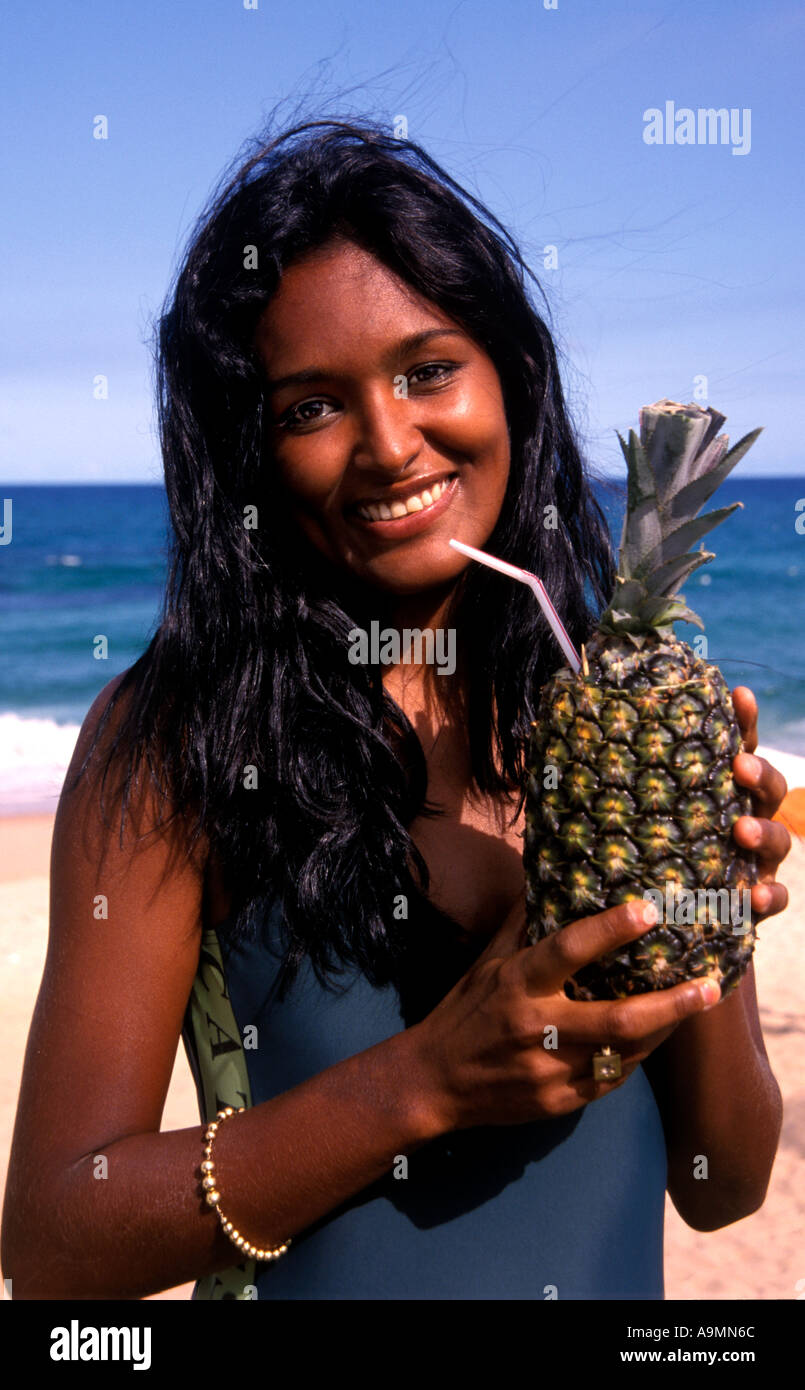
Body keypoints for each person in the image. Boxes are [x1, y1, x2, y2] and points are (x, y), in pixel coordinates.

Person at [1, 118, 790, 1301]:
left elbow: (720, 1183)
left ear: (508, 376)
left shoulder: (605, 710)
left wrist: (702, 912)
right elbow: (58, 1238)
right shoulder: (177, 737)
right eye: (309, 406)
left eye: (428, 369)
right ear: (251, 453)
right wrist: (426, 1081)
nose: (386, 443)